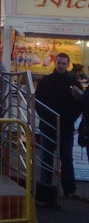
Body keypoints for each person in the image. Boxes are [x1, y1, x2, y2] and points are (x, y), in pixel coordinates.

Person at [35, 52, 83, 198]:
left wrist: (68, 119)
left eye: (63, 63)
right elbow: (38, 103)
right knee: (48, 157)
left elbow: (79, 104)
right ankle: (48, 187)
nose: (61, 65)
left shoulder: (69, 82)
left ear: (67, 64)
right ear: (55, 63)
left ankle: (65, 189)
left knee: (65, 158)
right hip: (54, 125)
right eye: (59, 63)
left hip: (61, 125)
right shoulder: (48, 81)